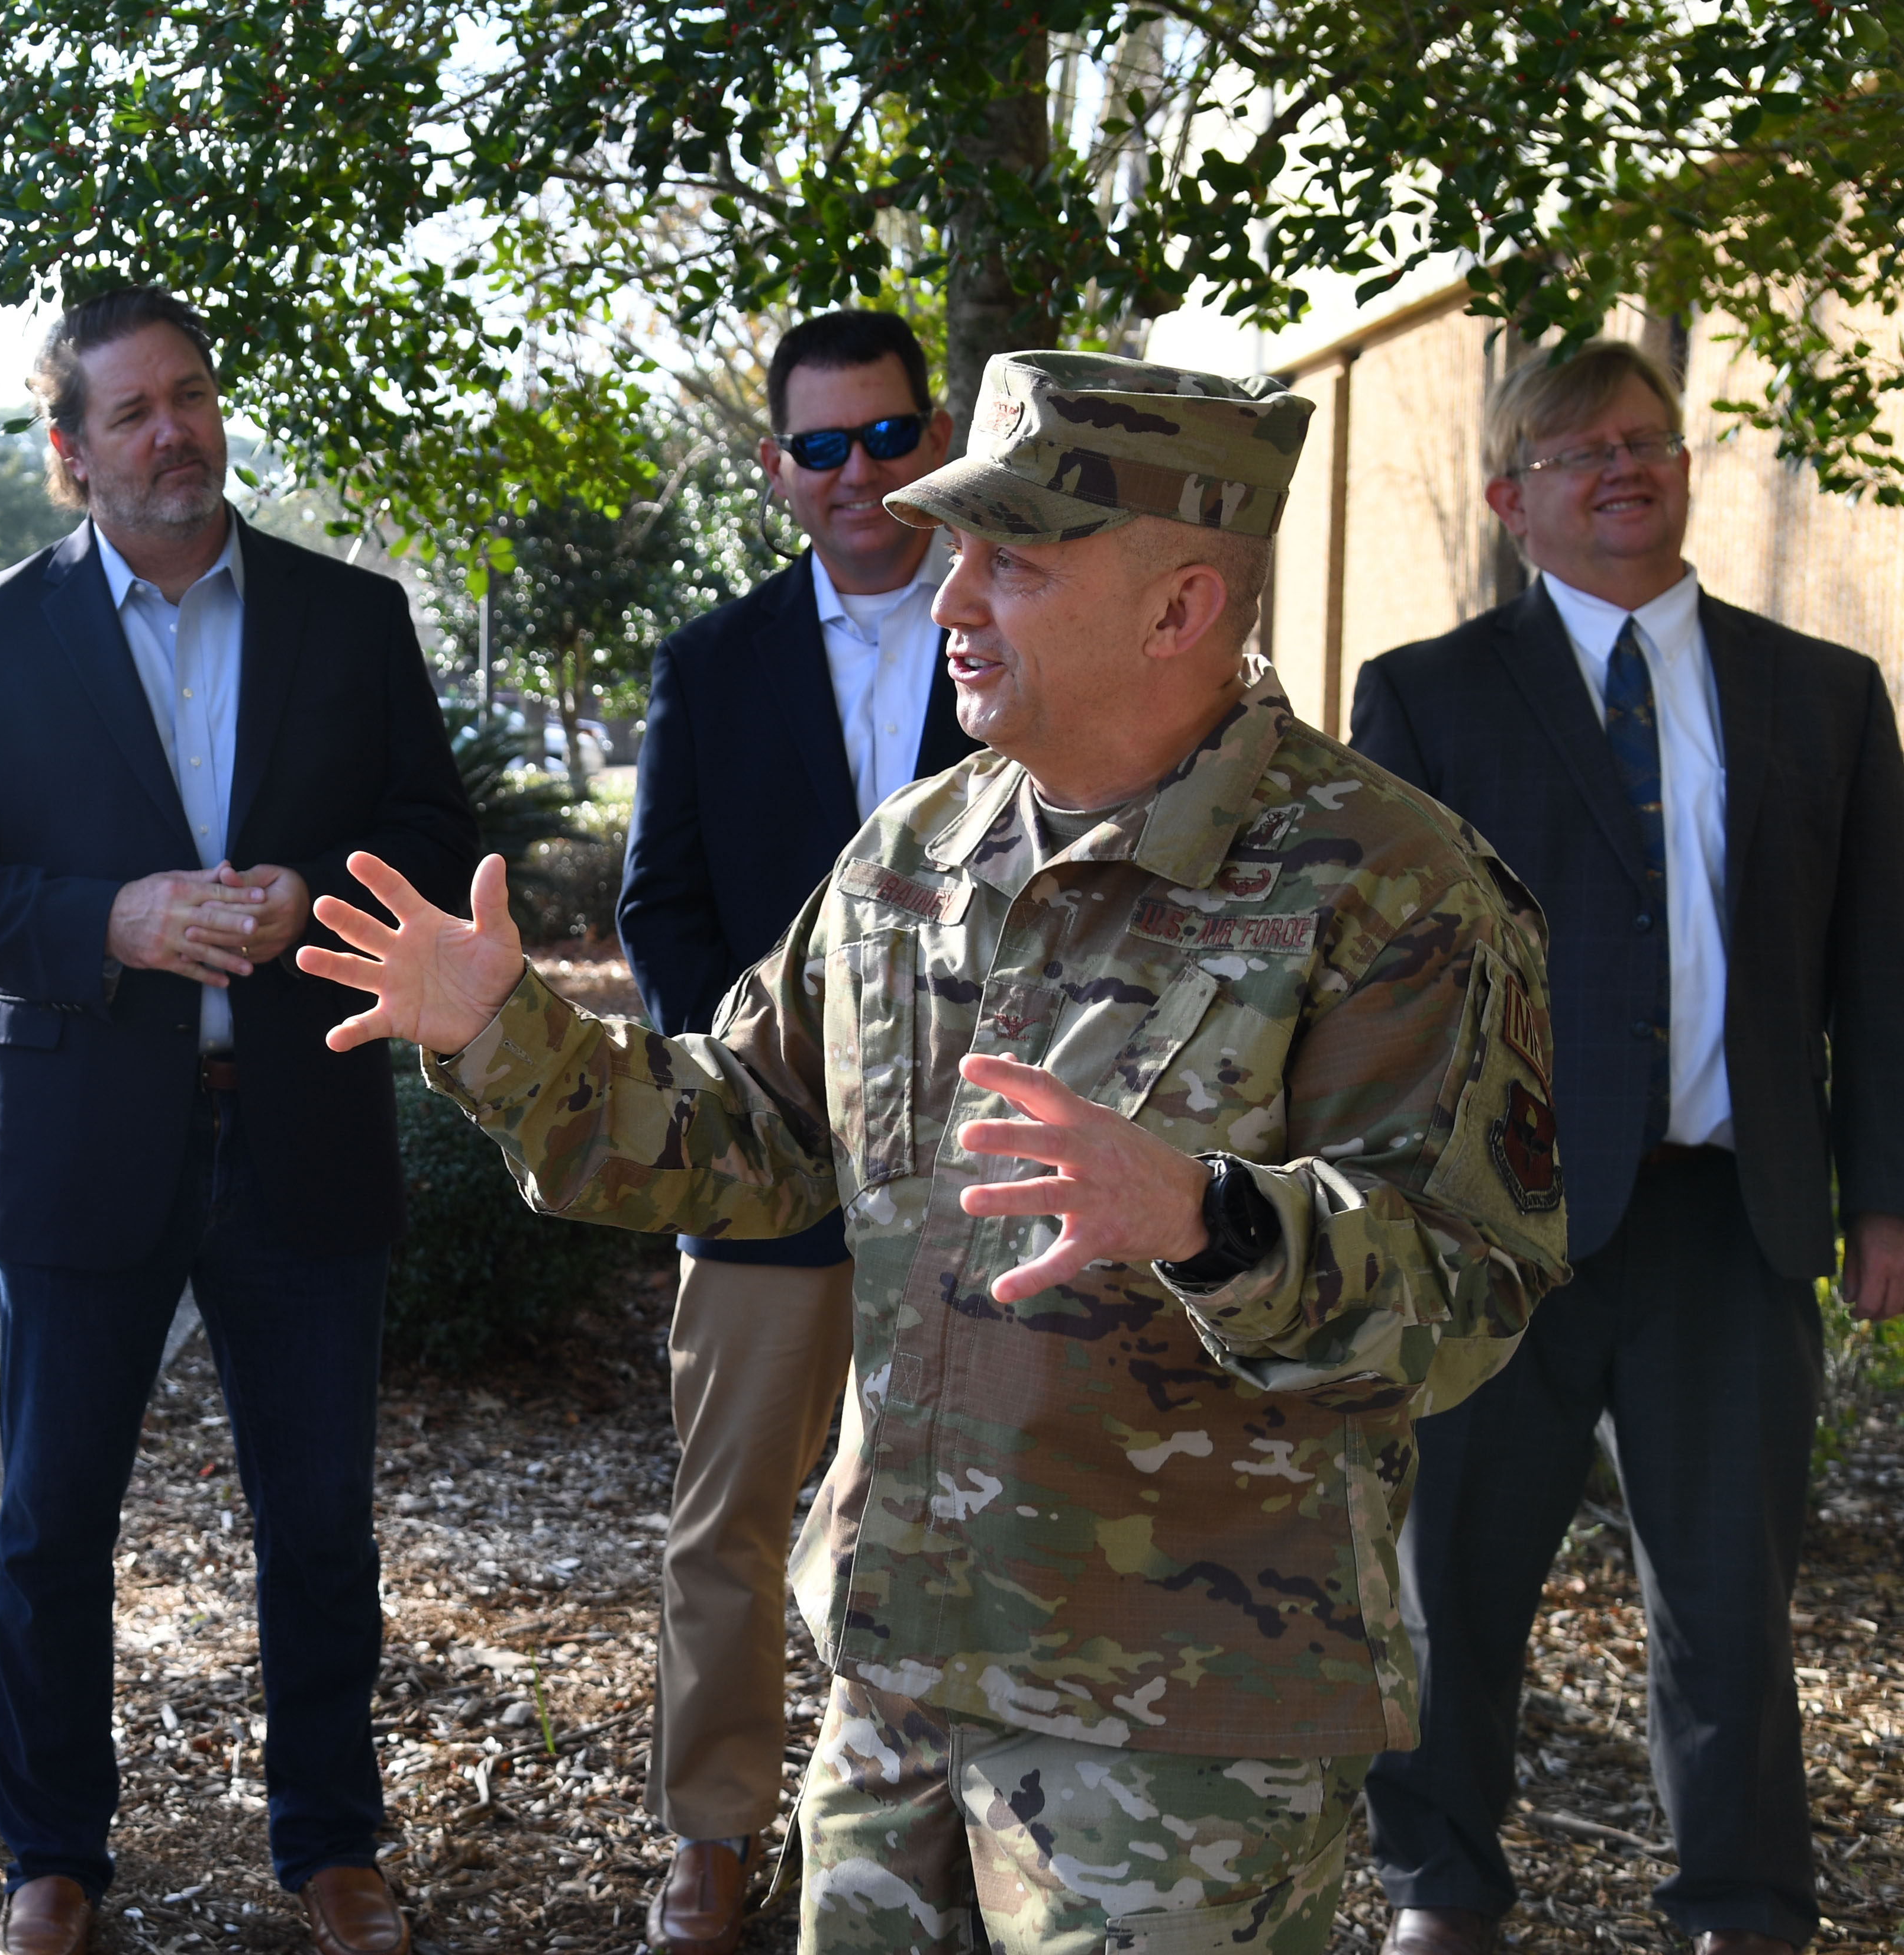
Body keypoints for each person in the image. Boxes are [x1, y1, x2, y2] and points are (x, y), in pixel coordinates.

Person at [295, 351, 1576, 1954]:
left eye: (1012, 564)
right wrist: (506, 1039)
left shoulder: (1389, 885)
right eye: (956, 550)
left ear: (1180, 610)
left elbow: (1465, 1295)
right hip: (897, 1683)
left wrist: (1208, 1218)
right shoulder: (915, 852)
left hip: (1174, 1731)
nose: (948, 596)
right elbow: (754, 1141)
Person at [0, 286, 479, 1955]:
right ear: (70, 453)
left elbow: (433, 829)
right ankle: (50, 1854)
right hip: (87, 1132)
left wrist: (322, 893)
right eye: (131, 411)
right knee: (51, 1520)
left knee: (319, 1520)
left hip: (301, 1123)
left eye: (192, 397)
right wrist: (108, 919)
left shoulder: (349, 619)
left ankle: (334, 1844)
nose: (174, 432)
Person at [1348, 341, 1904, 1955]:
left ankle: (1742, 1908)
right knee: (1455, 1584)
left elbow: (1878, 970)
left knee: (1729, 1604)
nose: (1621, 466)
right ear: (1509, 497)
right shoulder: (1427, 695)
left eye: (1645, 440)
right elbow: (1379, 981)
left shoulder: (1818, 694)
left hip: (1731, 1219)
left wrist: (1883, 1195)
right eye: (1577, 448)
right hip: (1493, 1226)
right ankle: (1437, 1889)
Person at [615, 307, 974, 1951]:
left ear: (935, 432)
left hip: (988, 1174)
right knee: (732, 1517)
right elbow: (660, 909)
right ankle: (713, 1834)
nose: (859, 475)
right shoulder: (710, 665)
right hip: (768, 1169)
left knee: (971, 1503)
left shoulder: (1018, 623)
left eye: (887, 437)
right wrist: (766, 1088)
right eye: (821, 448)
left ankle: (961, 1834)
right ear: (777, 470)